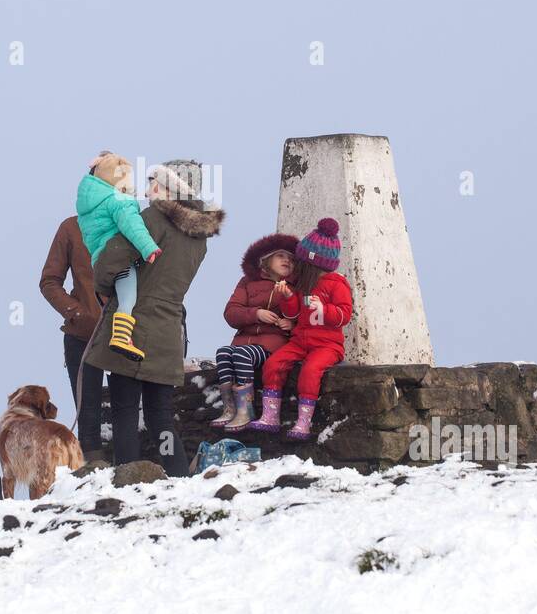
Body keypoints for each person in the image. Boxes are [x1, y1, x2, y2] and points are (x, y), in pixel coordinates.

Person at [85, 160, 224, 475]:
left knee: (124, 411)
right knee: (160, 414)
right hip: (169, 327)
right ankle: (177, 476)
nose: (147, 191)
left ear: (173, 188)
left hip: (131, 324)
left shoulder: (151, 219)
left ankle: (129, 478)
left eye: (155, 184)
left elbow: (113, 260)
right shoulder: (198, 235)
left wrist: (104, 285)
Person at [246, 218, 352, 440]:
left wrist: (323, 309)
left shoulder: (337, 284)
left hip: (327, 345)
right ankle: (270, 417)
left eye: (302, 262)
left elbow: (344, 315)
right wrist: (287, 297)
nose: (297, 266)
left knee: (310, 371)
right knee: (274, 363)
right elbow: (295, 314)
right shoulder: (305, 284)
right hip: (300, 341)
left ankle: (303, 423)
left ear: (315, 264)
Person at [75, 151, 162, 361]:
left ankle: (121, 335)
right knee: (128, 298)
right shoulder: (120, 201)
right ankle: (122, 337)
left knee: (118, 297)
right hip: (120, 260)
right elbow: (134, 227)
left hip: (101, 259)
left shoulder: (89, 205)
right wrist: (149, 248)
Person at [212, 233, 299, 430]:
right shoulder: (247, 282)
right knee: (223, 353)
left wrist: (292, 324)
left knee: (242, 354)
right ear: (266, 259)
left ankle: (245, 409)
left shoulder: (295, 287)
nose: (287, 260)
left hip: (273, 342)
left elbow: (303, 314)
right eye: (281, 256)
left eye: (291, 258)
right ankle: (229, 407)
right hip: (243, 339)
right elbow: (231, 312)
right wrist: (256, 313)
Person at [39, 214, 105, 459]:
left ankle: (128, 478)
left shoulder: (131, 222)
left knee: (128, 407)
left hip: (126, 330)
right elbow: (49, 281)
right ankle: (94, 474)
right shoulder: (71, 227)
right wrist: (78, 313)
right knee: (88, 411)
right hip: (82, 334)